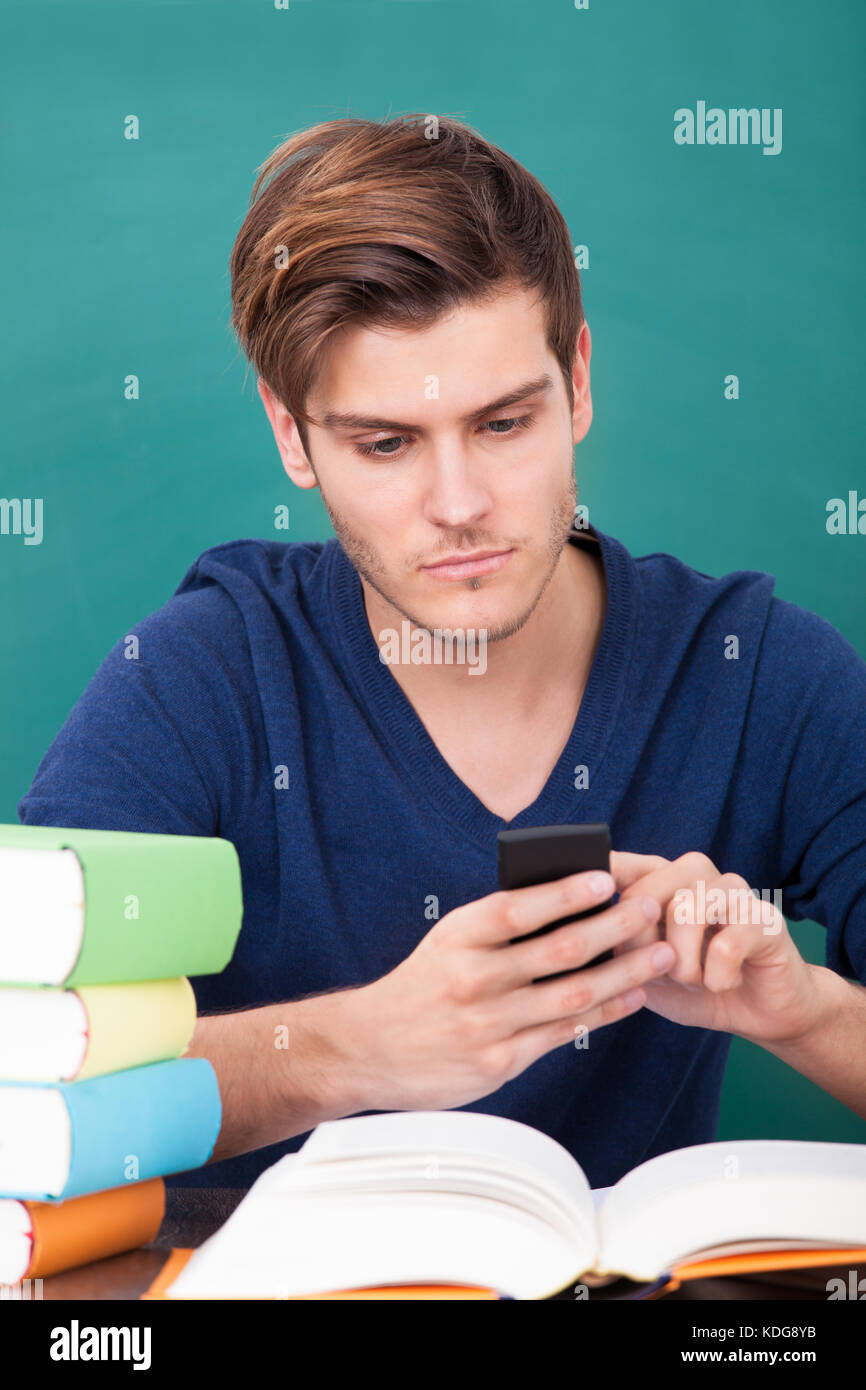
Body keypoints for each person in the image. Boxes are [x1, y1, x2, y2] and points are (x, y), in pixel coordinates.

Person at [19, 114, 866, 1192]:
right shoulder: (202, 678)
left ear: (578, 379)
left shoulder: (760, 677)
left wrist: (801, 1011)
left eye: (504, 424)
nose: (458, 506)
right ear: (292, 437)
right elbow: (27, 1077)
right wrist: (355, 1048)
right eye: (384, 444)